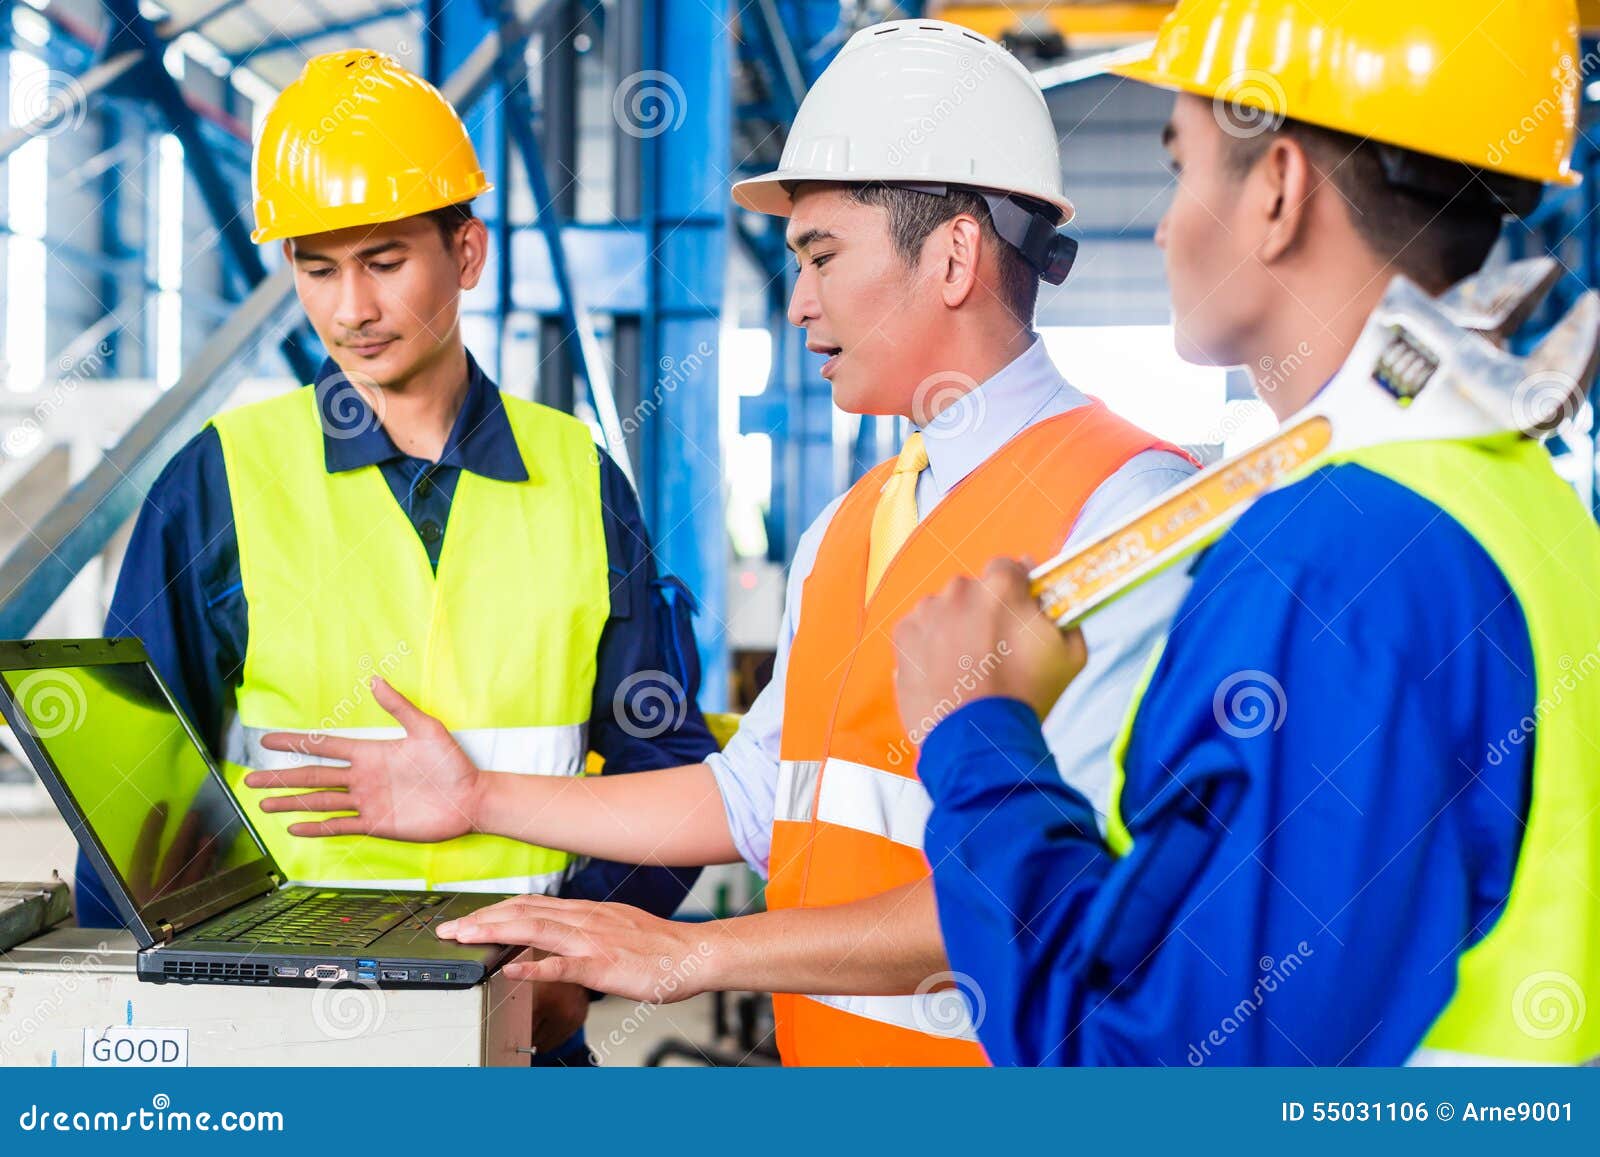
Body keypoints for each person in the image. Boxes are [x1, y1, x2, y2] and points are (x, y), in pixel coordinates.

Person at [239, 21, 1199, 1066]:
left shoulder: (1128, 510)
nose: (796, 304)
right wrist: (477, 797)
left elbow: (1061, 890)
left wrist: (693, 954)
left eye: (821, 255)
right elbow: (749, 798)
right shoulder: (854, 522)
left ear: (956, 254)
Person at [892, 0, 1600, 1066]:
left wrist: (977, 728)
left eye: (1179, 168)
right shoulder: (1518, 498)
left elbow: (1161, 1074)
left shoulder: (1337, 560)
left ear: (1275, 191)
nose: (1164, 225)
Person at [76, 50, 716, 1064]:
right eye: (316, 268)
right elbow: (133, 799)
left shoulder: (578, 479)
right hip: (281, 1026)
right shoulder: (220, 480)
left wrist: (577, 963)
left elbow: (664, 755)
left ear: (466, 252)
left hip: (521, 1014)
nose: (350, 310)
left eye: (382, 261)